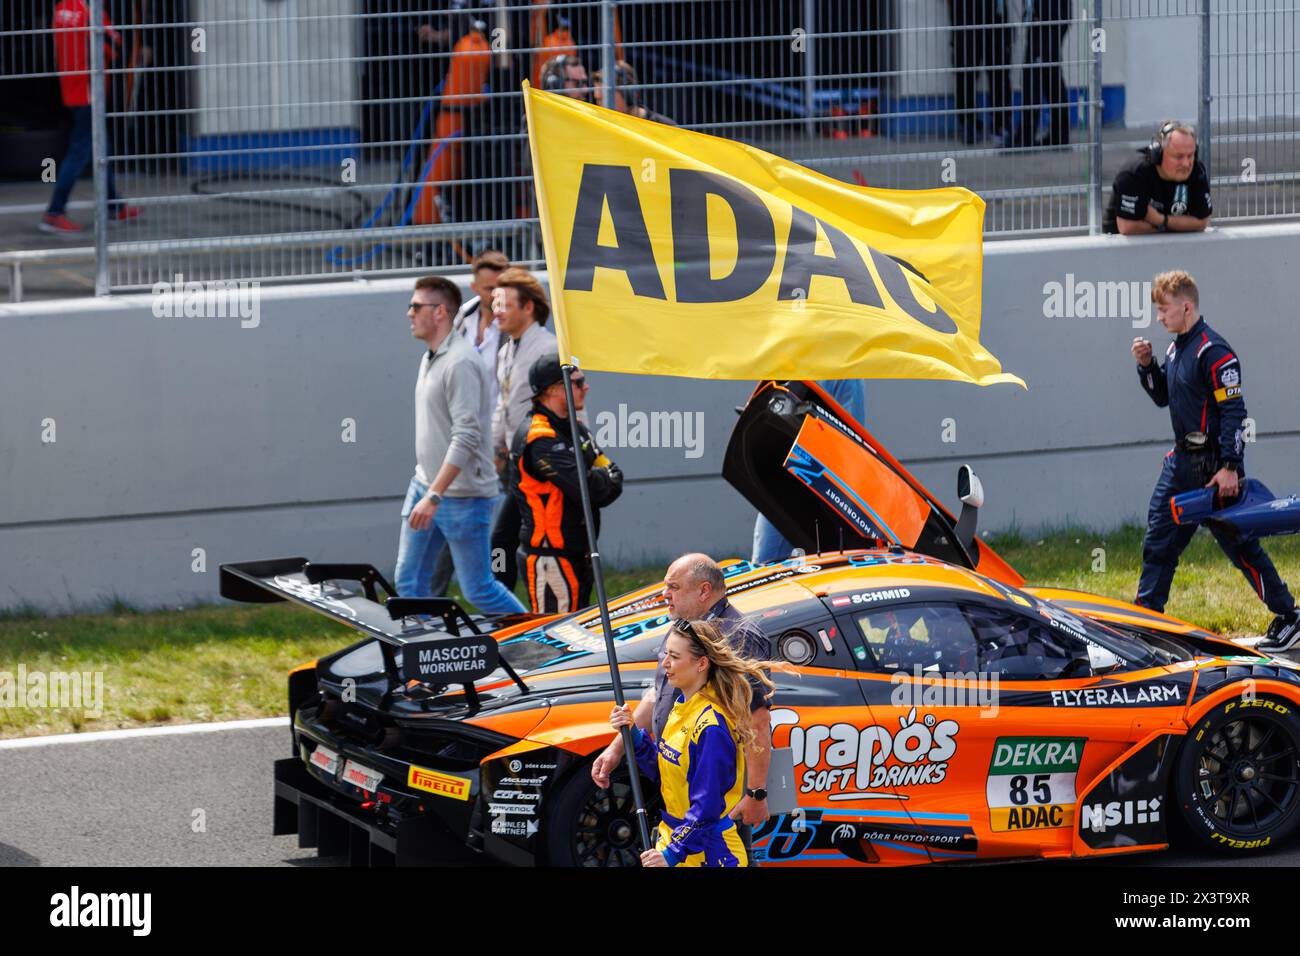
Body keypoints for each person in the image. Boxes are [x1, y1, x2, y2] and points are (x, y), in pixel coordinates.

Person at [1131, 270, 1299, 650]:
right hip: (1179, 467)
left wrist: (1229, 467)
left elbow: (1234, 413)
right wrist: (1147, 367)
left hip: (1212, 469)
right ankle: (1143, 626)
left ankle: (1289, 615)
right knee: (1158, 543)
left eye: (1164, 309)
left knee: (1240, 545)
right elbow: (1164, 399)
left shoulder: (1214, 351)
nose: (1159, 317)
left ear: (1186, 307)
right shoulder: (1176, 349)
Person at [592, 553, 773, 864]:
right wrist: (619, 745)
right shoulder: (682, 628)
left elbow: (758, 719)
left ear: (703, 590)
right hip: (678, 778)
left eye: (673, 587)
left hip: (718, 793)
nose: (664, 594)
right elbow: (656, 693)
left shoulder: (739, 636)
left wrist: (756, 793)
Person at [394, 275, 526, 614]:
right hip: (425, 486)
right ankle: (428, 656)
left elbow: (466, 436)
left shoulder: (461, 362)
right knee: (409, 582)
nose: (409, 313)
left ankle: (537, 644)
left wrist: (434, 496)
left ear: (439, 312)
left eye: (416, 306)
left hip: (460, 498)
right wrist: (427, 490)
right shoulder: (432, 357)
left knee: (479, 589)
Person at [609, 619, 778, 867]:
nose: (665, 663)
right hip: (676, 842)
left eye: (674, 657)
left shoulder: (711, 726)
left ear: (701, 663)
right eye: (666, 654)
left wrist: (671, 855)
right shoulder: (682, 707)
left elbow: (706, 808)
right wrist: (633, 735)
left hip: (708, 854)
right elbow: (665, 773)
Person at [428, 249, 511, 598]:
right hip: (462, 439)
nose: (495, 295)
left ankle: (501, 600)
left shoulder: (516, 325)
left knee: (505, 529)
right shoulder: (461, 320)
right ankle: (432, 596)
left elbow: (514, 389)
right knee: (452, 520)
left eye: (501, 287)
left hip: (500, 443)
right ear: (475, 286)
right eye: (489, 287)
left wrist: (499, 446)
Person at [511, 355, 622, 613]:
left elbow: (612, 475)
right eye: (578, 382)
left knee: (580, 636)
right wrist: (603, 477)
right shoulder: (540, 439)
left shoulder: (576, 428)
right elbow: (589, 489)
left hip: (578, 553)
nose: (587, 387)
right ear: (554, 389)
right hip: (551, 560)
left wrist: (604, 477)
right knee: (558, 641)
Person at [42, 0, 141, 233]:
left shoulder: (61, 9)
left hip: (70, 87)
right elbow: (113, 44)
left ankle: (115, 206)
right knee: (80, 152)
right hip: (89, 91)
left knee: (101, 148)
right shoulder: (90, 10)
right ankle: (54, 211)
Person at [490, 268, 558, 590]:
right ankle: (508, 604)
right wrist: (496, 448)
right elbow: (504, 406)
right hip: (517, 463)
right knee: (512, 541)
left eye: (503, 303)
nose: (496, 311)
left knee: (504, 539)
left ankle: (502, 602)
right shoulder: (506, 350)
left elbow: (570, 404)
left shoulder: (548, 349)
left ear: (528, 307)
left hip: (543, 465)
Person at [752, 379, 867, 564]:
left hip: (820, 482)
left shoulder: (843, 375)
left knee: (828, 566)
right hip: (781, 476)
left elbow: (848, 442)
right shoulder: (785, 362)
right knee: (765, 563)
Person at [1104, 122, 1212, 235]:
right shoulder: (1134, 173)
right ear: (1158, 154)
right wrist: (1181, 225)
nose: (1186, 163)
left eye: (1190, 155)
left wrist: (1160, 220)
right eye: (1178, 156)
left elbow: (1202, 222)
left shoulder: (1196, 170)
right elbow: (1128, 227)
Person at [946, 0, 1013, 146]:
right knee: (965, 71)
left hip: (995, 12)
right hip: (964, 13)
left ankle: (1001, 123)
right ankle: (968, 123)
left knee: (999, 70)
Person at [1015, 0, 1071, 149]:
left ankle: (1026, 137)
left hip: (1046, 24)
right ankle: (1059, 135)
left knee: (1034, 77)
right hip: (1046, 23)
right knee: (1051, 77)